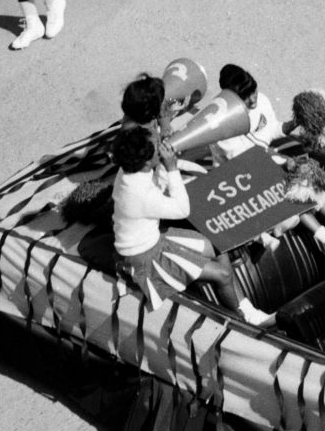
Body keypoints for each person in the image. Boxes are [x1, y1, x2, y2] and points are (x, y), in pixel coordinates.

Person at [109, 122, 272, 324]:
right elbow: (182, 209)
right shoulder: (140, 194)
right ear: (144, 162)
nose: (161, 148)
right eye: (156, 149)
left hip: (151, 239)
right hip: (145, 256)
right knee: (222, 274)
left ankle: (244, 305)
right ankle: (246, 318)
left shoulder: (126, 173)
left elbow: (157, 184)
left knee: (218, 242)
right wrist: (172, 167)